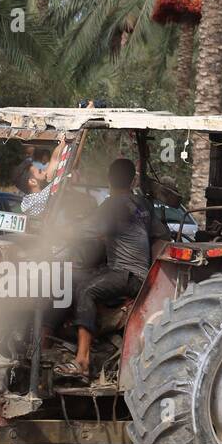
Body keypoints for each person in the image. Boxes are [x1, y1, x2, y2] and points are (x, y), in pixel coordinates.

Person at [54, 159, 153, 381]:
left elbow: (82, 231)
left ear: (109, 179)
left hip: (129, 275)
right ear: (133, 179)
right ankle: (54, 340)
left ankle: (82, 360)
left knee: (86, 290)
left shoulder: (113, 205)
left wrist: (55, 230)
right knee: (69, 278)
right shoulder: (142, 204)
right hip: (130, 271)